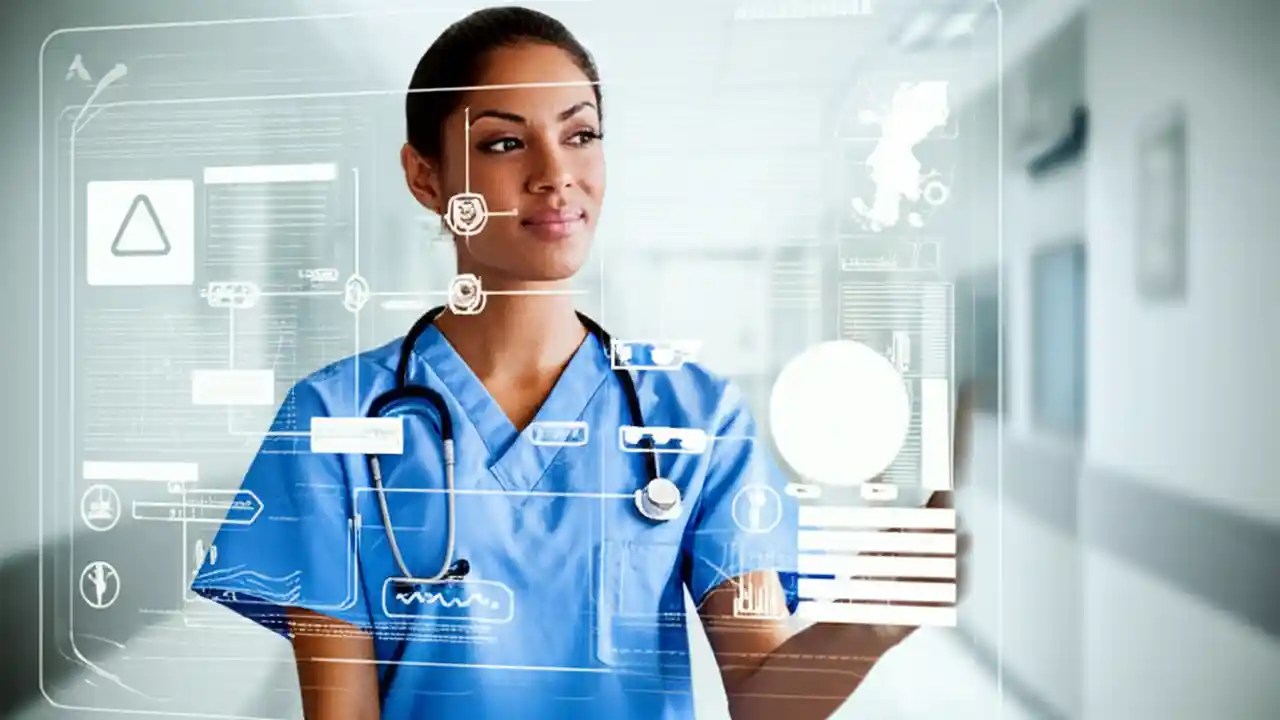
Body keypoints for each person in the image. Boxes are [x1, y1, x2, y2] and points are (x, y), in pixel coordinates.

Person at [192, 7, 964, 719]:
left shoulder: (694, 416)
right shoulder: (335, 418)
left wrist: (873, 620)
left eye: (580, 134)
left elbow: (763, 697)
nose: (555, 172)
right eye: (504, 142)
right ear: (426, 177)